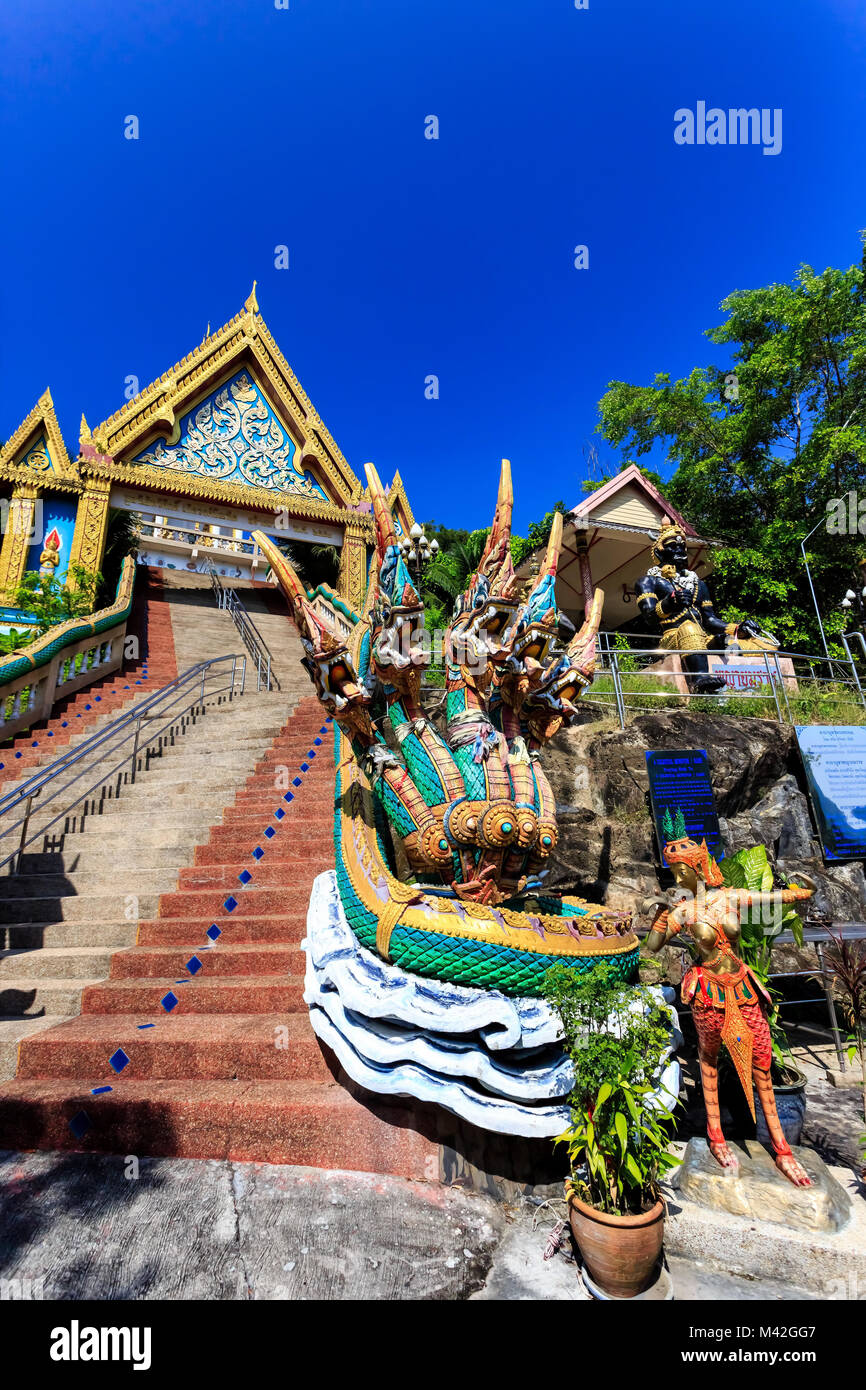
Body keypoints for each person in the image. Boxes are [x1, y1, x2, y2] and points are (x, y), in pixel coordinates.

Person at [643, 834, 814, 1187]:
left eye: (680, 872)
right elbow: (653, 947)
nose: (677, 880)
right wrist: (661, 915)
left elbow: (769, 900)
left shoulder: (730, 897)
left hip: (743, 989)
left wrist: (798, 893)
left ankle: (783, 1150)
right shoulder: (684, 911)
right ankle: (716, 1136)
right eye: (673, 873)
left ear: (698, 867)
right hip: (709, 994)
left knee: (762, 1066)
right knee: (708, 1061)